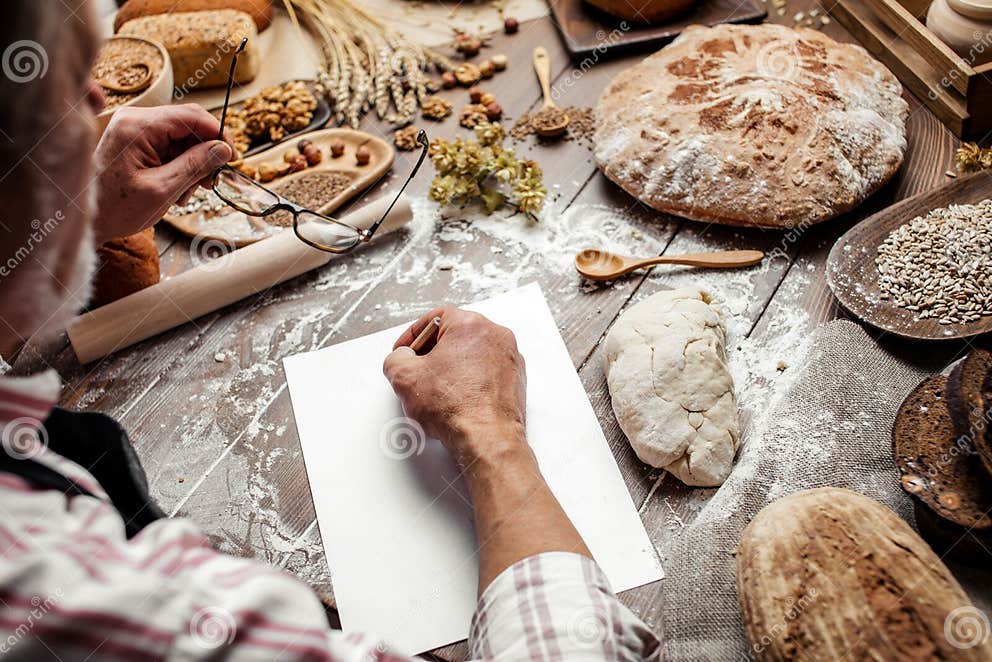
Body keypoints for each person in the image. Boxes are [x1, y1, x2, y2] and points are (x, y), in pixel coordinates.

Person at [0, 2, 660, 660]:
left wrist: (53, 212)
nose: (96, 104)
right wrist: (492, 434)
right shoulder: (71, 588)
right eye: (47, 88)